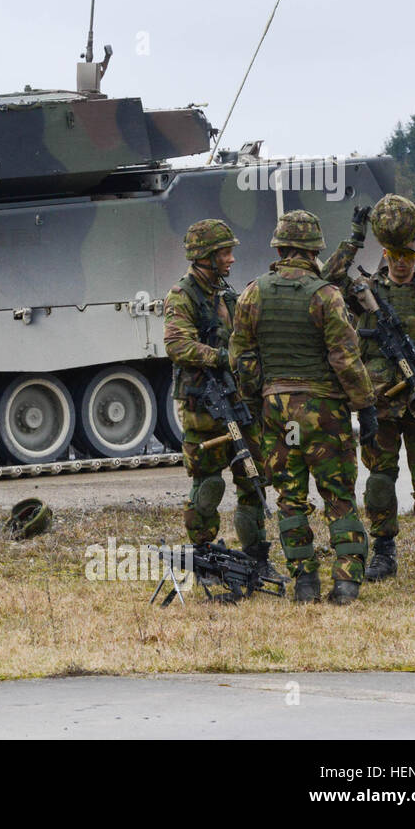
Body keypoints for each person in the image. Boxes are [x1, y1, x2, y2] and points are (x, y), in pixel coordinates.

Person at [229, 210, 377, 605]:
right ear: (314, 251)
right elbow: (346, 359)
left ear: (279, 247)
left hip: (275, 409)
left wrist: (252, 399)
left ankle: (304, 582)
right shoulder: (326, 295)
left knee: (290, 498)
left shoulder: (252, 293)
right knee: (339, 495)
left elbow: (242, 357)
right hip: (323, 409)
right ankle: (346, 582)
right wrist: (366, 406)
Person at [323, 200, 415, 581]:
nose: (401, 263)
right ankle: (384, 551)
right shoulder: (365, 293)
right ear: (385, 254)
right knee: (379, 478)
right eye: (394, 255)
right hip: (382, 401)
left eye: (408, 255)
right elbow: (330, 275)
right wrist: (355, 235)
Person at [162, 219, 272, 572]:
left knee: (253, 479)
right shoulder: (182, 295)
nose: (231, 259)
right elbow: (177, 344)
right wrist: (222, 357)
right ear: (206, 256)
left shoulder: (227, 295)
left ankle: (256, 557)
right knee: (207, 485)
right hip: (204, 406)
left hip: (239, 404)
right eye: (225, 252)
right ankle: (205, 557)